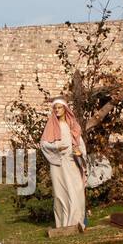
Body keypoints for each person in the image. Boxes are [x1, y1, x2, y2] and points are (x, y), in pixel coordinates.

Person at [39, 98, 87, 229]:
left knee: (76, 190)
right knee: (61, 193)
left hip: (71, 162)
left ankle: (76, 222)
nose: (57, 110)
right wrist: (56, 147)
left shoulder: (71, 125)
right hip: (58, 165)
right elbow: (43, 144)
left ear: (65, 109)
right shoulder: (52, 126)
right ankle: (63, 224)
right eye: (55, 108)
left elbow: (79, 142)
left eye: (59, 107)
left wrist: (79, 152)